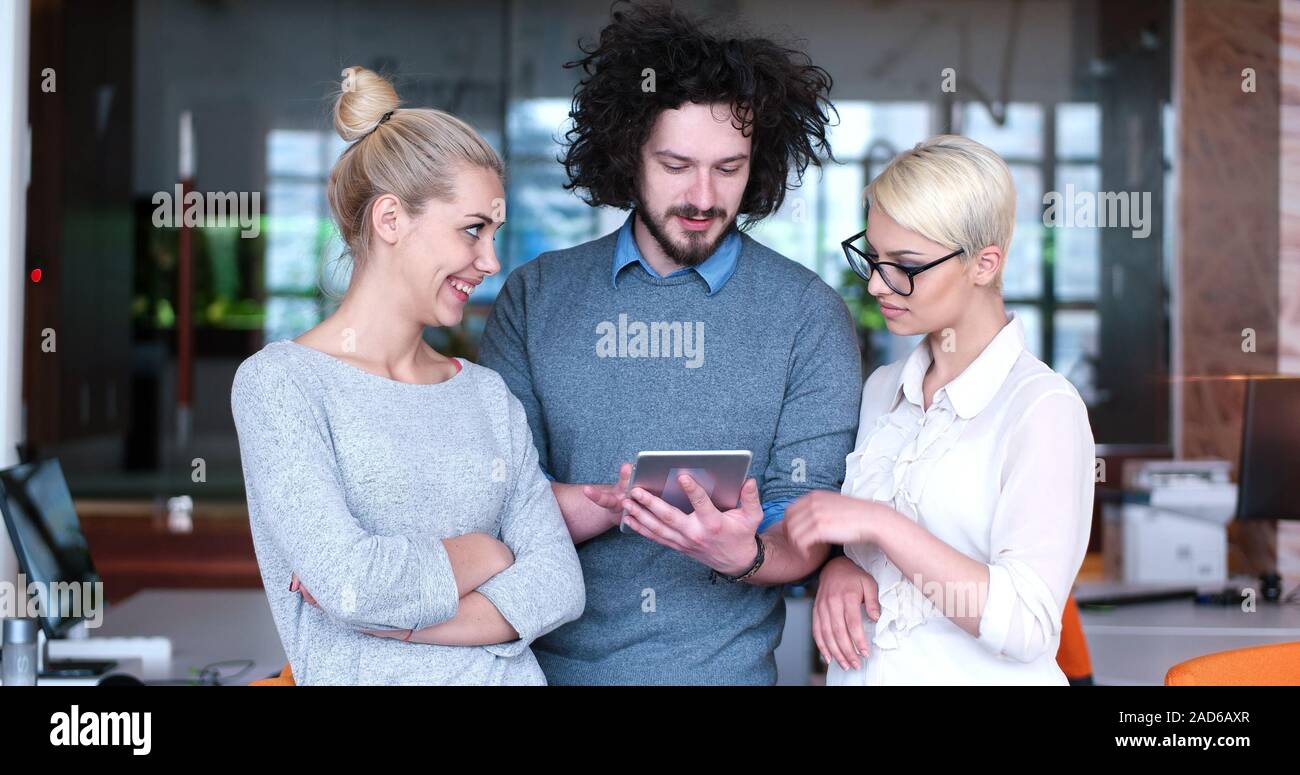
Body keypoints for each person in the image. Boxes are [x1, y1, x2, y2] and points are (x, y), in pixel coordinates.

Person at [479, 1, 861, 684]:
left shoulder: (808, 315)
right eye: (676, 164)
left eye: (729, 167)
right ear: (630, 155)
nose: (703, 195)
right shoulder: (537, 298)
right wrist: (600, 505)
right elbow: (493, 502)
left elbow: (805, 524)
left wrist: (741, 550)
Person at [230, 66, 584, 685]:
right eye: (472, 230)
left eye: (494, 234)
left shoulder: (486, 395)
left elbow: (558, 584)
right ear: (390, 219)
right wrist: (489, 553)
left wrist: (409, 623)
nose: (491, 261)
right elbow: (350, 583)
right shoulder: (281, 386)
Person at [784, 135, 1095, 685]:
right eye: (873, 258)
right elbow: (875, 560)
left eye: (906, 264)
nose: (879, 283)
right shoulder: (882, 390)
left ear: (984, 264)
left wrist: (881, 526)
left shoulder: (1043, 409)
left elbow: (1028, 625)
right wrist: (840, 565)